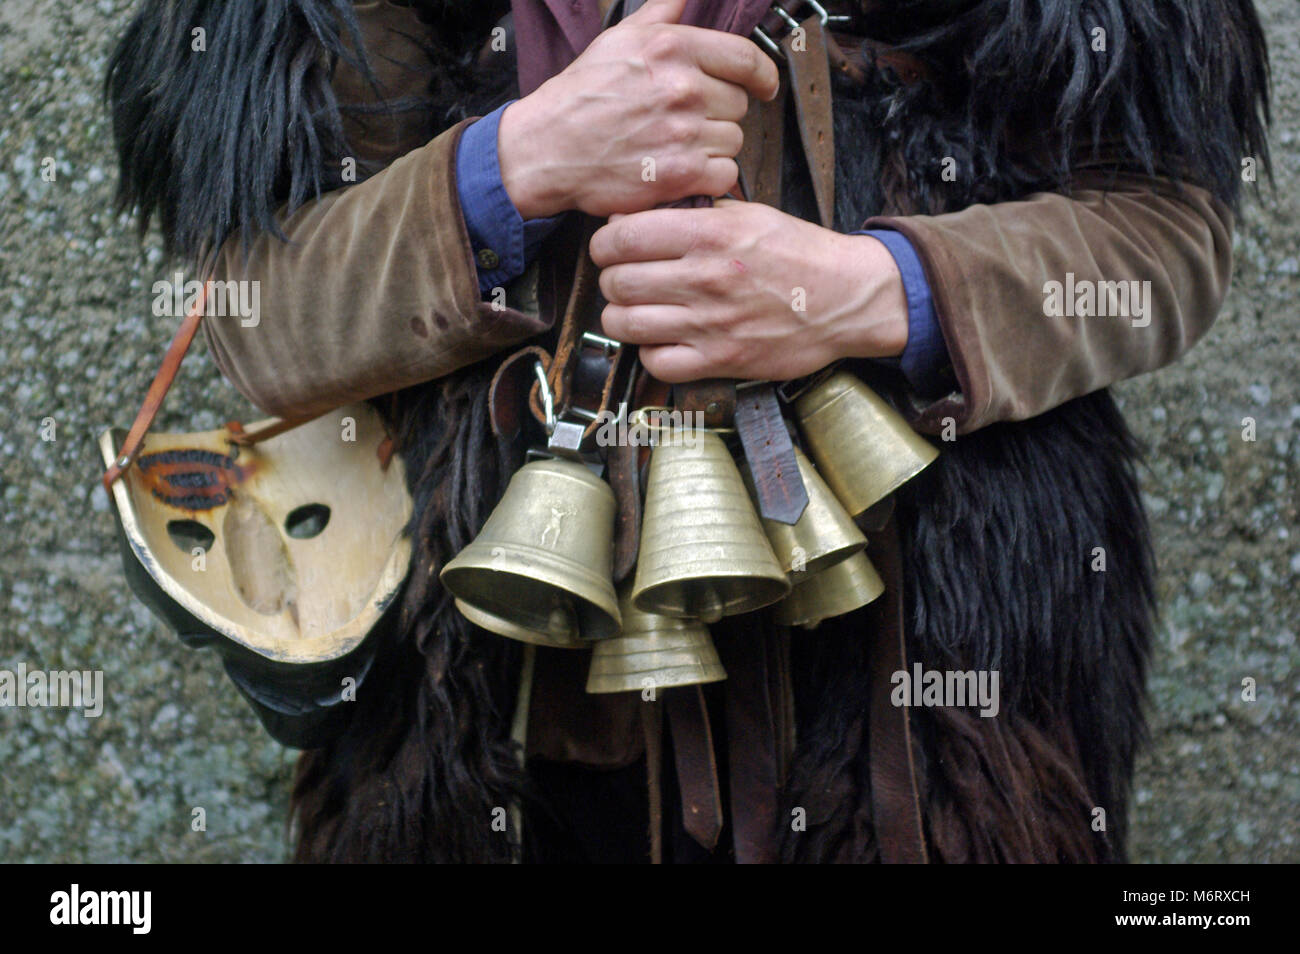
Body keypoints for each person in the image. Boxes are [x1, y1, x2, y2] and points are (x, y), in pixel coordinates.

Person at [106, 0, 1270, 862]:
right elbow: (264, 320)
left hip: (935, 694)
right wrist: (515, 165)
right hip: (489, 708)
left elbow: (1164, 237)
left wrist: (870, 289)